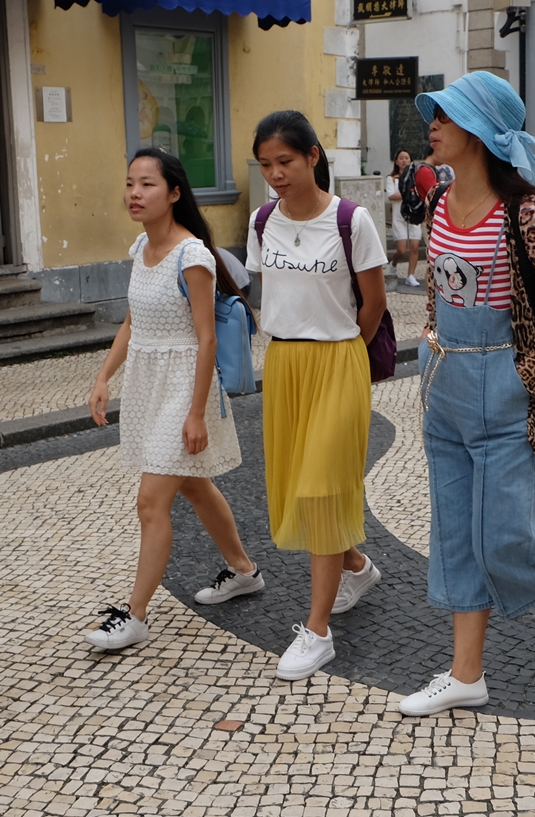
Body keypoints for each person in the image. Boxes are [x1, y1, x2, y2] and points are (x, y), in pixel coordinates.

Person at [398, 70, 535, 718]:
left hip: (505, 387)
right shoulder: (437, 202)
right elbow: (439, 285)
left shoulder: (527, 211)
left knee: (504, 539)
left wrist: (519, 375)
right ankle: (466, 674)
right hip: (446, 386)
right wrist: (432, 337)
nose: (431, 125)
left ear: (481, 133)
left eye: (445, 116)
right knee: (456, 536)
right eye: (433, 114)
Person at [85, 148, 262, 651]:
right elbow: (131, 320)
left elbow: (206, 340)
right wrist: (103, 377)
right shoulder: (140, 246)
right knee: (194, 487)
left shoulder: (193, 256)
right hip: (147, 383)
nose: (134, 194)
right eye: (129, 184)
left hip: (185, 386)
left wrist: (194, 412)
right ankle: (244, 570)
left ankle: (135, 616)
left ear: (175, 193)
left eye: (147, 184)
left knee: (150, 500)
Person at [246, 111, 388, 681]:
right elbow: (269, 291)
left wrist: (343, 350)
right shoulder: (262, 222)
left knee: (324, 487)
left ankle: (317, 631)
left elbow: (373, 304)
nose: (275, 174)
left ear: (312, 156)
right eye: (265, 166)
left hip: (337, 360)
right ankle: (355, 565)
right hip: (284, 363)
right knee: (298, 488)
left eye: (284, 161)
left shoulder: (352, 220)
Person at [386, 148, 422, 286]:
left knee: (414, 246)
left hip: (414, 215)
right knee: (401, 249)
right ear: (396, 161)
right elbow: (391, 196)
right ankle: (394, 263)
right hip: (399, 216)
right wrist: (409, 193)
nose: (404, 161)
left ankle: (411, 275)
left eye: (406, 158)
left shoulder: (416, 178)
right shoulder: (391, 179)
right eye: (401, 158)